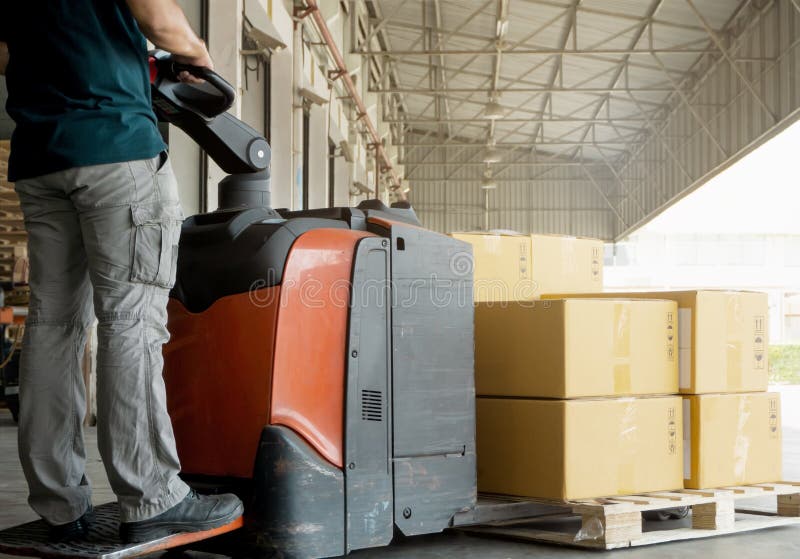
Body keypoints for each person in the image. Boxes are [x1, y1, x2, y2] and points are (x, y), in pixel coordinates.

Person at [0, 0, 243, 544]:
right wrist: (199, 56)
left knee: (52, 326)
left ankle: (58, 503)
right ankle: (153, 496)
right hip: (114, 148)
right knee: (131, 322)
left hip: (41, 157)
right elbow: (160, 19)